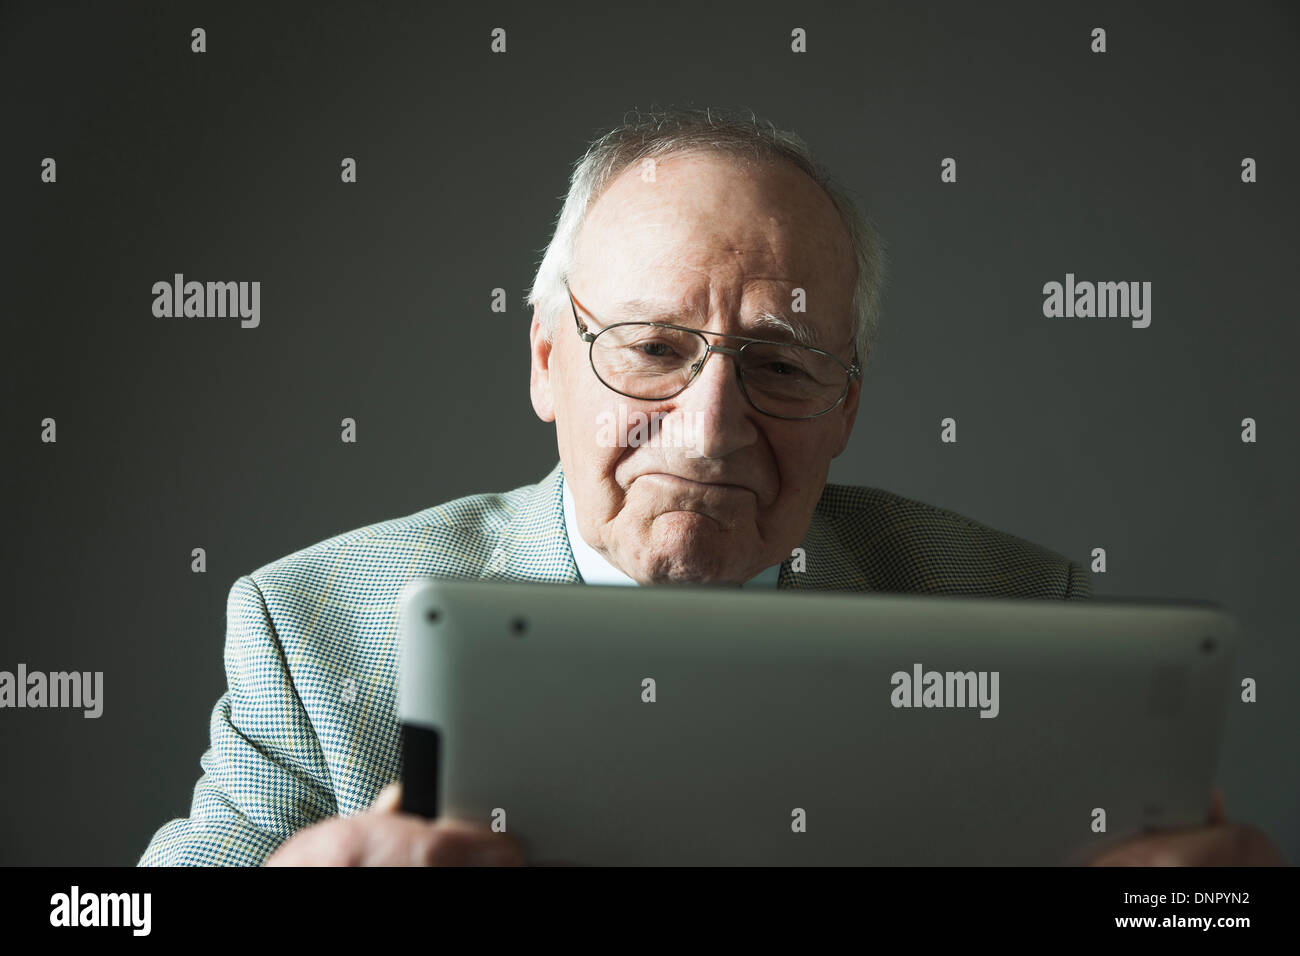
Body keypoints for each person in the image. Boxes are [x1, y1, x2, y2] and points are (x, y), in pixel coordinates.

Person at [139, 107, 1280, 866]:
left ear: (847, 405)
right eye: (649, 347)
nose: (710, 426)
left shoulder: (1022, 615)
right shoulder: (320, 628)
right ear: (547, 360)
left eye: (780, 366)